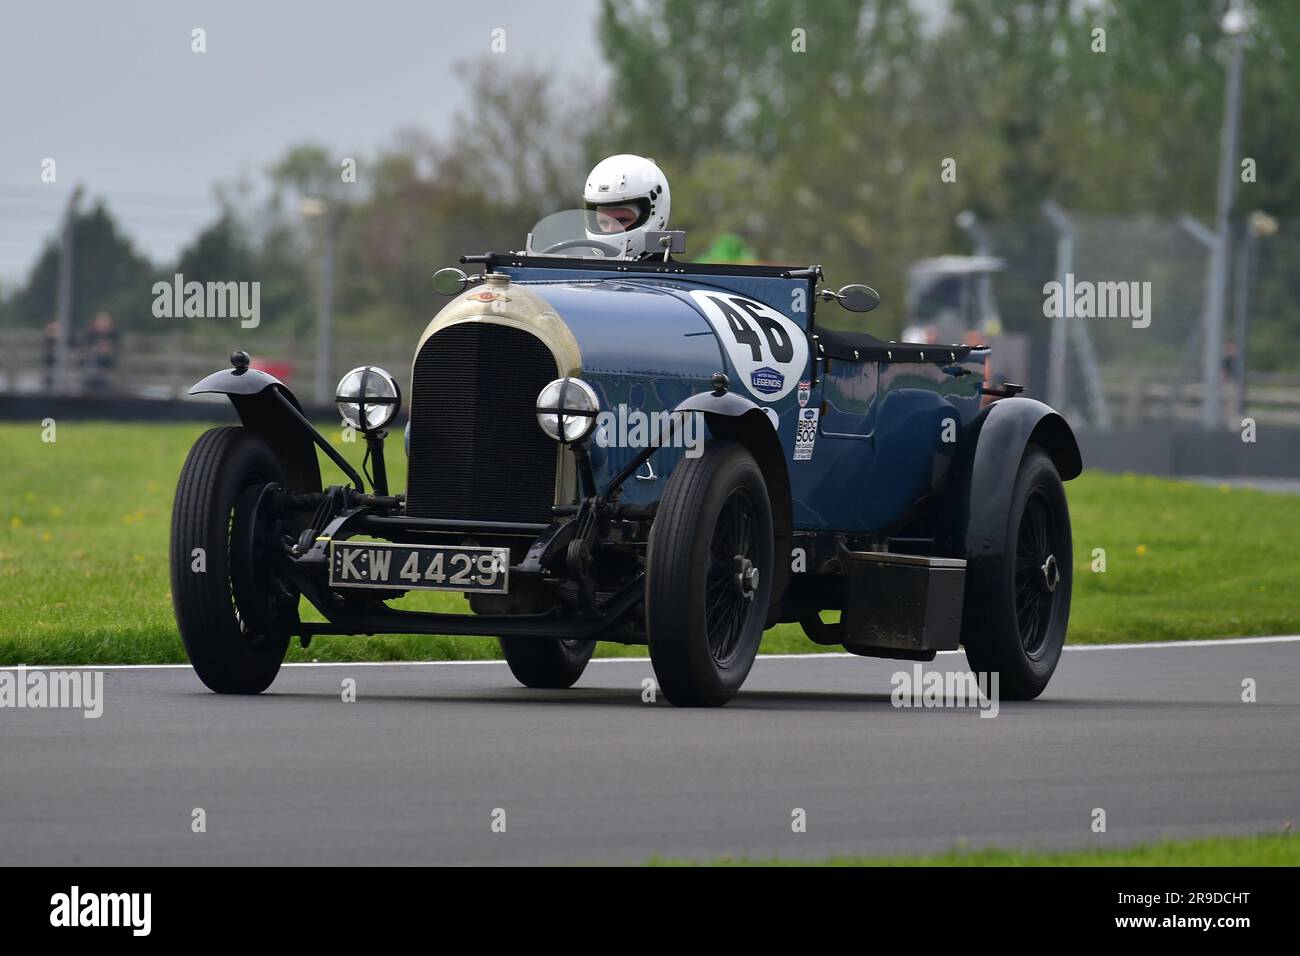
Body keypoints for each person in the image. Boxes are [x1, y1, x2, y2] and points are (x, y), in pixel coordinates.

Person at [582, 154, 671, 259]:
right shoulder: (585, 273)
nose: (610, 230)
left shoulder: (672, 274)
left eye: (622, 220)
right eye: (603, 222)